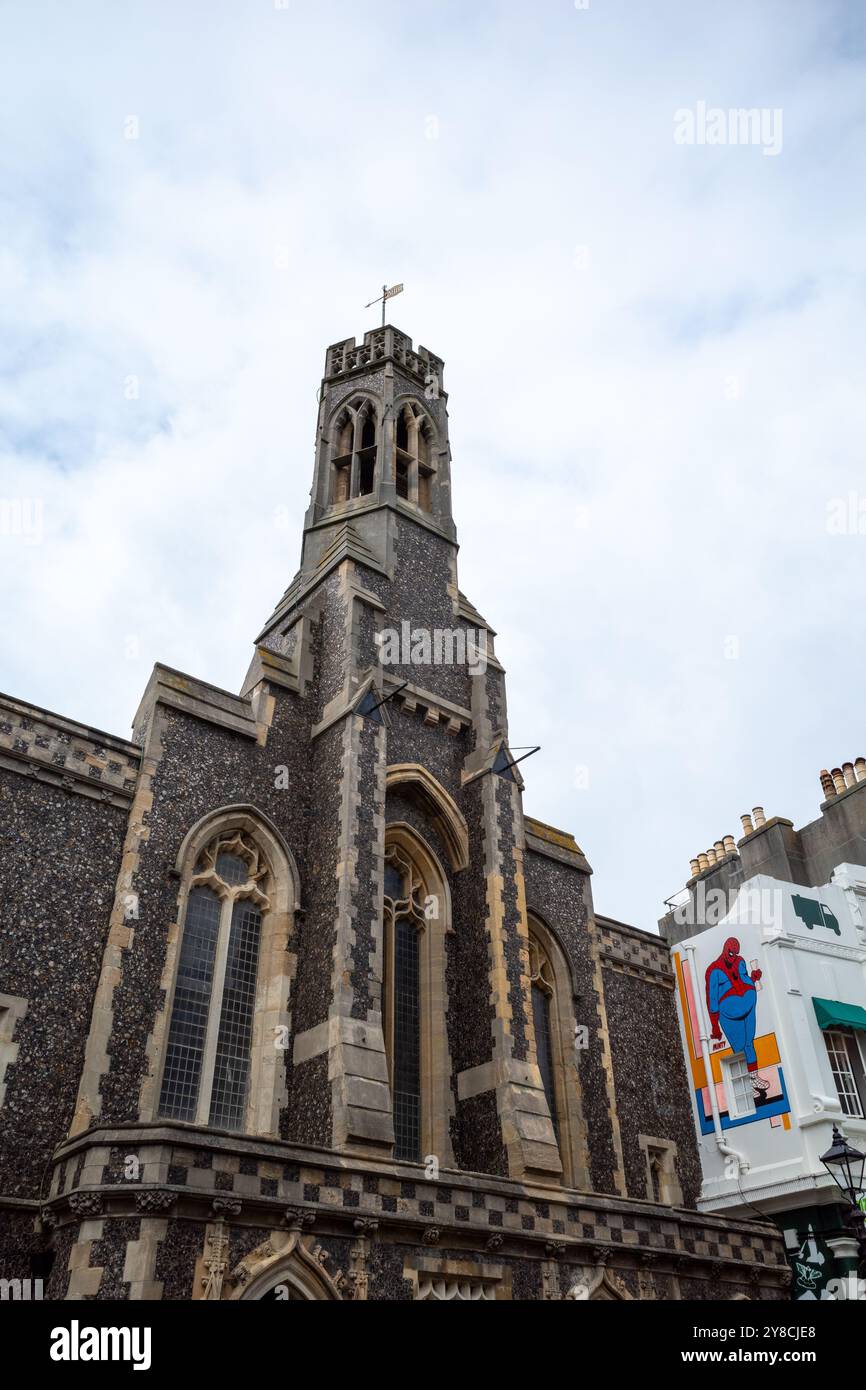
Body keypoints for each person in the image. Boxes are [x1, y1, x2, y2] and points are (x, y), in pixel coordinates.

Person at [705, 937, 769, 1097]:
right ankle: (747, 1087)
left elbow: (744, 978)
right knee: (739, 1049)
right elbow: (712, 998)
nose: (733, 956)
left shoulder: (740, 961)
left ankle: (754, 1078)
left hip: (749, 1005)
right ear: (725, 949)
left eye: (736, 953)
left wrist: (753, 977)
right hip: (730, 1015)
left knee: (749, 1044)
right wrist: (714, 1026)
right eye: (731, 952)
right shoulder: (713, 970)